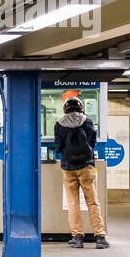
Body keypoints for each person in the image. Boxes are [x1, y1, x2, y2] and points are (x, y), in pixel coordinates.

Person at [54, 96, 108, 249]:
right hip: (86, 167)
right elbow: (93, 143)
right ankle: (100, 237)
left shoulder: (59, 124)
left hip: (68, 168)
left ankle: (77, 237)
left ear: (65, 109)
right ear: (80, 108)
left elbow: (58, 147)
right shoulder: (88, 122)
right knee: (92, 202)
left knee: (73, 203)